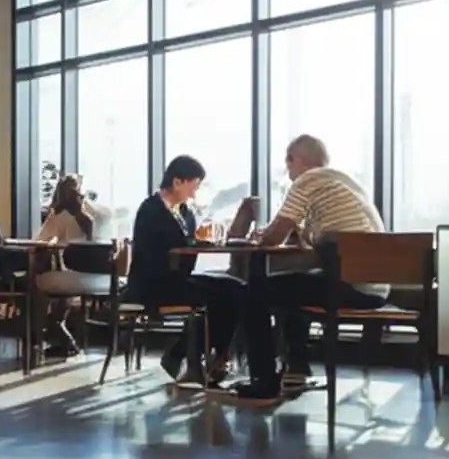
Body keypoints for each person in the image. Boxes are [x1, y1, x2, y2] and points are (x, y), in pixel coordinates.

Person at [246, 134, 388, 392]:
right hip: (375, 289)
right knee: (296, 285)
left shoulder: (308, 180)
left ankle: (262, 380)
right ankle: (297, 368)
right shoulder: (344, 183)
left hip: (351, 288)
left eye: (288, 165)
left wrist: (260, 238)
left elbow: (276, 233)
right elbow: (322, 240)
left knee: (256, 291)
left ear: (296, 160)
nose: (288, 173)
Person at [125, 155, 245, 386]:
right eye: (194, 185)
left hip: (178, 279)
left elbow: (186, 246)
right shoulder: (151, 210)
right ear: (177, 181)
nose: (194, 192)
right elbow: (164, 249)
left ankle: (198, 355)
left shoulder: (186, 213)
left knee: (235, 288)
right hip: (152, 283)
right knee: (218, 296)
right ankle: (197, 357)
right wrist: (194, 242)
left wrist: (197, 241)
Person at [35, 175, 109, 356]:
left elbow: (39, 241)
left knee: (38, 279)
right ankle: (61, 334)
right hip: (100, 279)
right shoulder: (97, 216)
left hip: (72, 276)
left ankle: (42, 332)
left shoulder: (60, 216)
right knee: (63, 284)